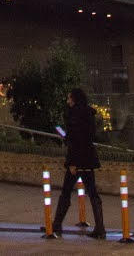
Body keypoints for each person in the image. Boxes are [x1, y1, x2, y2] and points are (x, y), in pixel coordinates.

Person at [50, 87, 104, 239]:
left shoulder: (75, 116)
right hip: (88, 159)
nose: (67, 102)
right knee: (93, 194)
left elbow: (74, 140)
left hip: (77, 160)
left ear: (74, 100)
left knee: (66, 192)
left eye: (69, 99)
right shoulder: (89, 114)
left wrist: (73, 162)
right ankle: (100, 227)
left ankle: (57, 224)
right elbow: (87, 138)